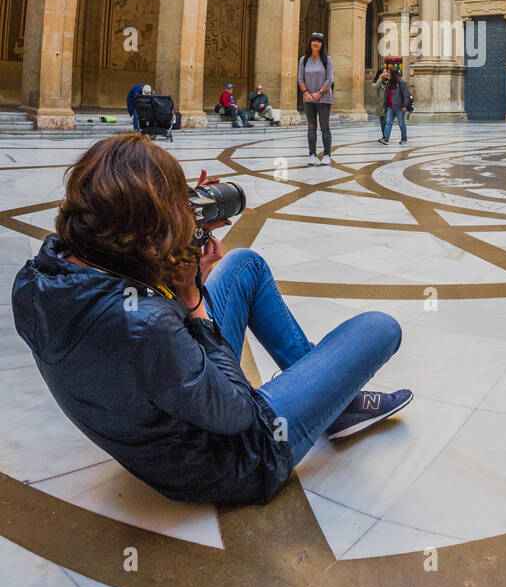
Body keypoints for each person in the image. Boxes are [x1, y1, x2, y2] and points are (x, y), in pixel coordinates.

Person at [10, 135, 413, 507]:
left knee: (243, 265)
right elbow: (239, 413)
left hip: (156, 414)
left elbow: (130, 330)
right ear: (145, 228)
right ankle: (329, 400)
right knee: (379, 328)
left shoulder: (38, 278)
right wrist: (191, 295)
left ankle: (332, 405)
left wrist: (178, 230)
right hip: (231, 460)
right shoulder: (147, 326)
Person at [298, 32, 334, 165]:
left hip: (324, 99)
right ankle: (312, 154)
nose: (315, 43)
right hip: (308, 99)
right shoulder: (304, 60)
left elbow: (330, 78)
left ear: (322, 44)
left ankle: (326, 155)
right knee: (311, 127)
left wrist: (319, 93)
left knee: (325, 127)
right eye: (313, 40)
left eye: (318, 41)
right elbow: (300, 78)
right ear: (310, 43)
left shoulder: (327, 60)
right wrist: (306, 93)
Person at [379, 63, 411, 146]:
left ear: (393, 74)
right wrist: (384, 106)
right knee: (388, 122)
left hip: (400, 107)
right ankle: (386, 138)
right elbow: (386, 96)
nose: (388, 74)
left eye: (389, 72)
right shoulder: (388, 83)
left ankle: (404, 139)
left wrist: (404, 106)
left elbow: (406, 95)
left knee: (401, 123)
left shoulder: (402, 83)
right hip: (390, 107)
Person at [373, 65, 389, 141]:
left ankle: (386, 137)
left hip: (388, 105)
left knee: (386, 121)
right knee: (383, 122)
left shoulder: (388, 82)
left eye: (386, 72)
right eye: (384, 72)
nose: (386, 74)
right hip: (381, 105)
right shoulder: (377, 82)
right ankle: (384, 136)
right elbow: (375, 87)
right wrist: (380, 78)